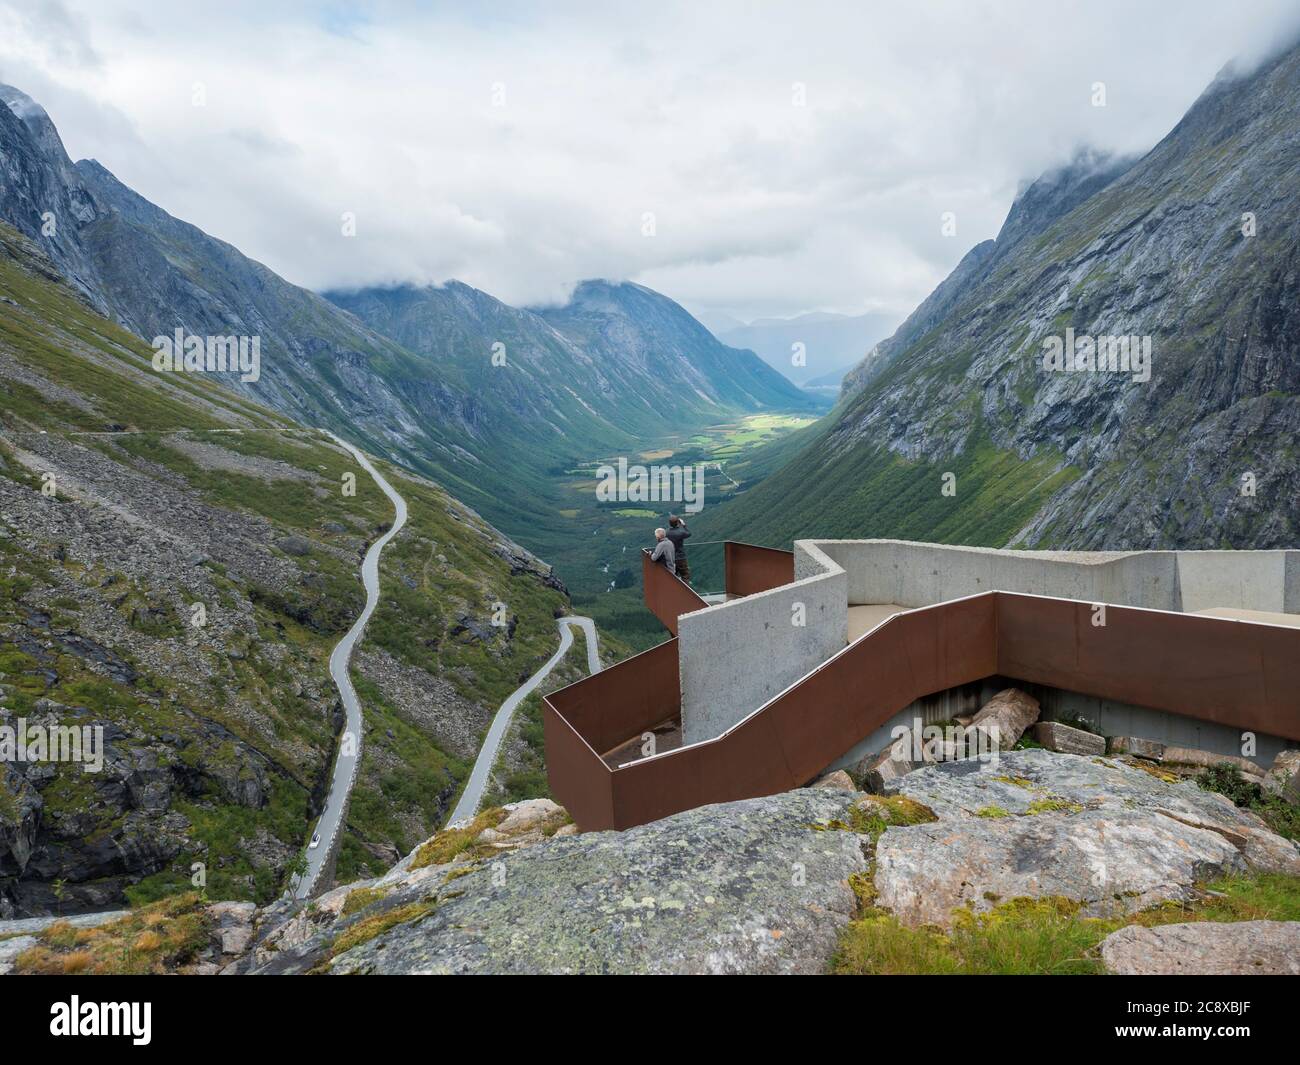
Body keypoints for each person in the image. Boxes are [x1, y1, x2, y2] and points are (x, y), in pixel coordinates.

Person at [666, 514, 691, 584]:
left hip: (671, 557)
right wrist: (684, 525)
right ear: (678, 522)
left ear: (669, 523)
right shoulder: (681, 532)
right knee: (685, 576)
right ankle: (685, 590)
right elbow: (689, 533)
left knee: (673, 577)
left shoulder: (666, 533)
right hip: (681, 557)